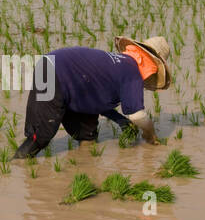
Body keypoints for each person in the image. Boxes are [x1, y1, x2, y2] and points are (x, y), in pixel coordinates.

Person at [12, 35, 172, 158]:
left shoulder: (122, 65)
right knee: (41, 135)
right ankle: (17, 168)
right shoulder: (133, 73)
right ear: (152, 67)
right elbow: (137, 115)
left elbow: (98, 96)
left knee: (87, 134)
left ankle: (85, 167)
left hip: (58, 69)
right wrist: (150, 134)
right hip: (54, 72)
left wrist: (120, 119)